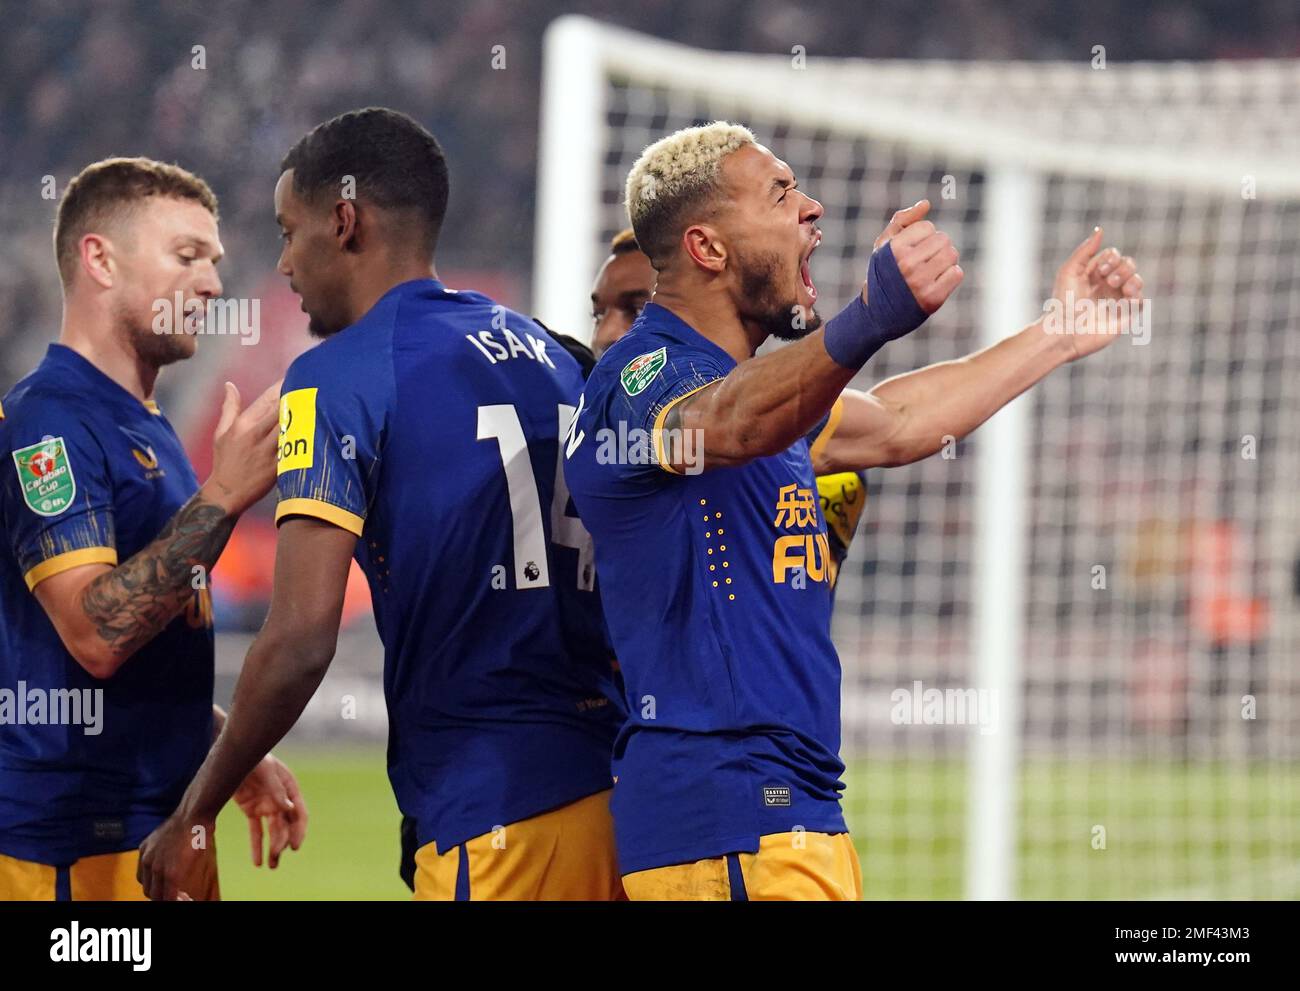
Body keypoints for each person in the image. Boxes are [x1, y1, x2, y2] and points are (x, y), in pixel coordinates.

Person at [564, 122, 1143, 900]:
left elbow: (901, 421)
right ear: (708, 248)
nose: (812, 208)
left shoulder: (763, 392)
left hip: (777, 816)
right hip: (729, 819)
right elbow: (725, 425)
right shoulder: (641, 376)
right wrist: (869, 315)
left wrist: (1058, 335)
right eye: (779, 193)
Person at [137, 108, 624, 901]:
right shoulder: (553, 355)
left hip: (495, 810)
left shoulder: (337, 376)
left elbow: (299, 639)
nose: (285, 263)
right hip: (614, 793)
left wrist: (197, 808)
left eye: (290, 232)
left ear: (345, 220)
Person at [0, 157, 306, 901]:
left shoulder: (145, 424)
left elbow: (144, 639)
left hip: (157, 826)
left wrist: (218, 747)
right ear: (98, 258)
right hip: (69, 844)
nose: (211, 284)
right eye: (186, 256)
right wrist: (226, 494)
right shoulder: (51, 421)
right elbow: (95, 633)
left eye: (214, 262)